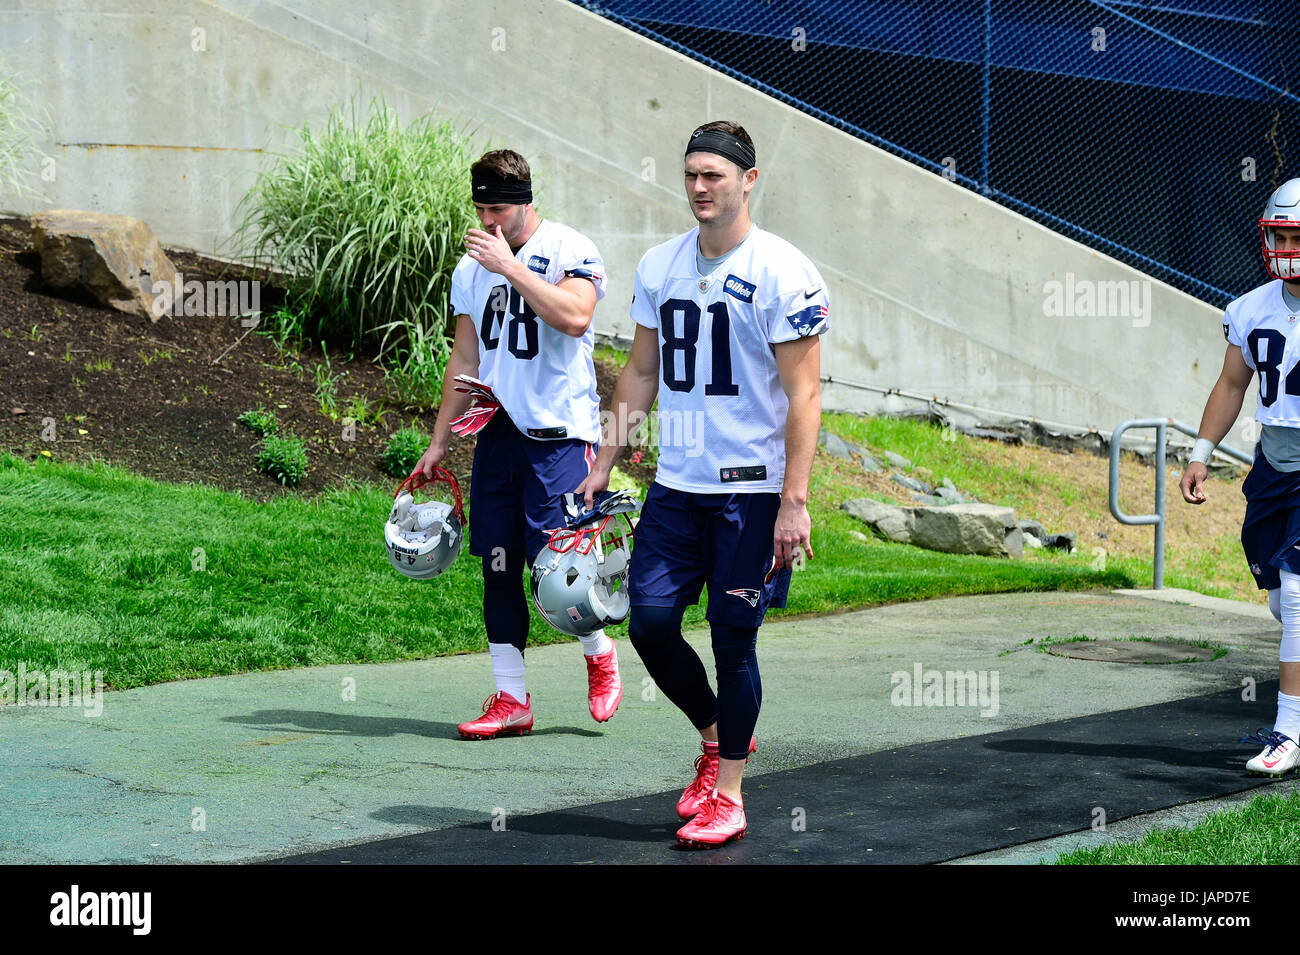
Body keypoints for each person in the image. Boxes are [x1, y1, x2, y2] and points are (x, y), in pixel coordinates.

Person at [578, 121, 828, 847]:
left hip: (751, 493)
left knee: (733, 639)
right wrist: (603, 461)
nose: (698, 187)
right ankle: (715, 735)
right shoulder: (660, 265)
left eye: (714, 175)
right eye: (690, 174)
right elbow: (642, 371)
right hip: (679, 485)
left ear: (749, 180)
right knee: (650, 622)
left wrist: (794, 500)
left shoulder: (784, 271)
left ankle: (730, 793)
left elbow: (805, 394)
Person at [415, 148, 621, 739]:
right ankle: (511, 699)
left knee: (560, 567)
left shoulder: (570, 248)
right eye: (481, 209)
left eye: (500, 209)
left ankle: (599, 652)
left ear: (527, 201)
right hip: (498, 433)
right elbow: (466, 355)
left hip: (558, 434)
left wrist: (512, 268)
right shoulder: (469, 268)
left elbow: (577, 317)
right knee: (499, 565)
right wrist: (438, 442)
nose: (489, 223)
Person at [1181, 177, 1300, 775]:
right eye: (1279, 232)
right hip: (1273, 469)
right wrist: (1202, 451)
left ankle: (1287, 731)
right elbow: (1232, 385)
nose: (1285, 245)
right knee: (1282, 604)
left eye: (1296, 234)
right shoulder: (1249, 307)